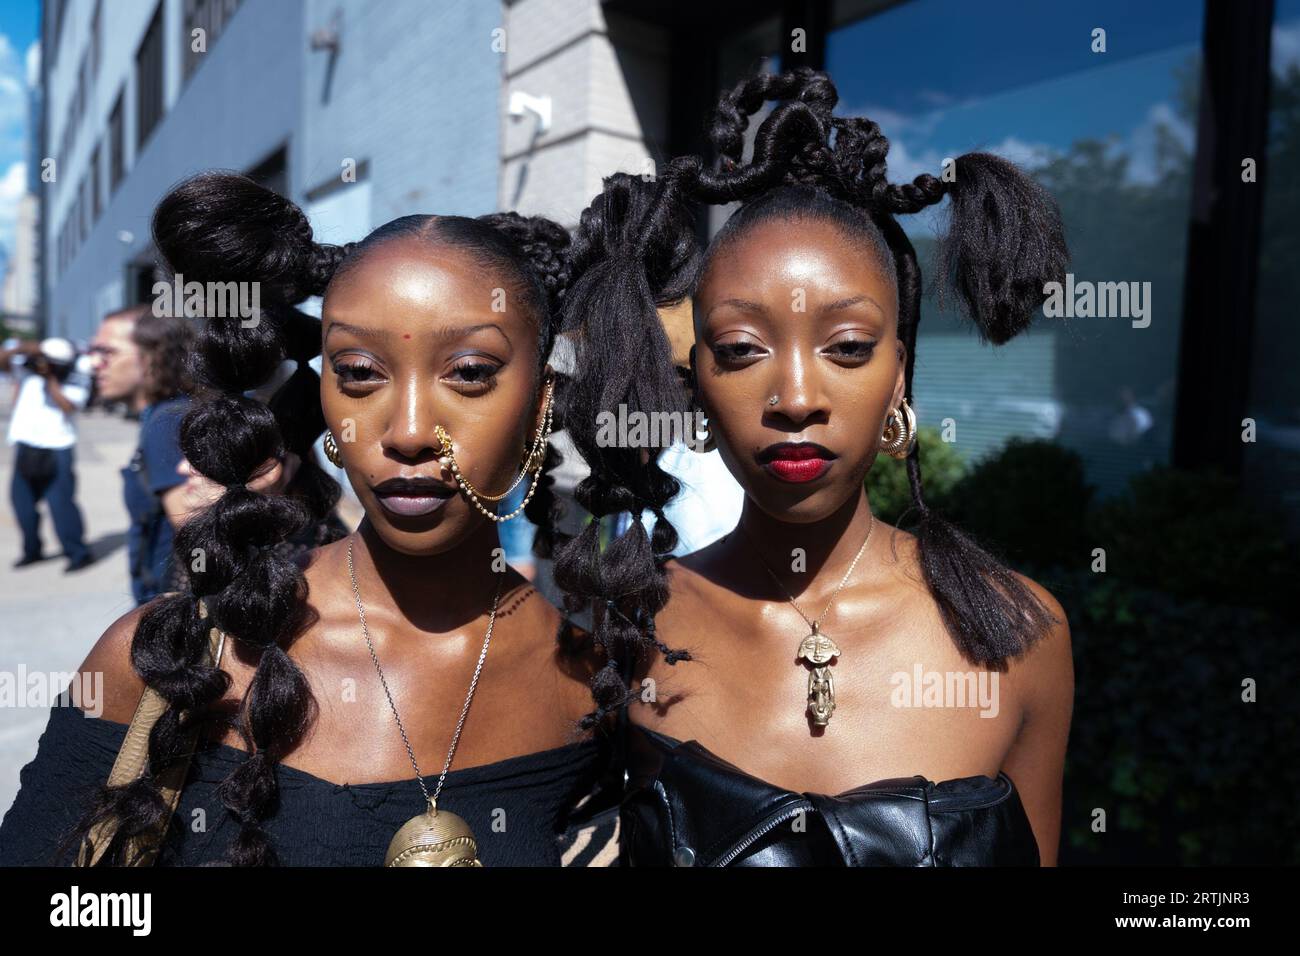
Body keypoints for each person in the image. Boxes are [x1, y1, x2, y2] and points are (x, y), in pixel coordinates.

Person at [0, 172, 607, 866]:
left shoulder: (594, 684)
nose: (408, 431)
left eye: (469, 372)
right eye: (359, 371)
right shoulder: (172, 659)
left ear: (540, 402)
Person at [557, 69, 1075, 866]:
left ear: (898, 375)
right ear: (697, 382)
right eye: (740, 351)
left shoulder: (1017, 632)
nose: (796, 397)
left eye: (847, 348)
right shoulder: (630, 628)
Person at [88, 306, 195, 604]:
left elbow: (196, 536)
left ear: (151, 357)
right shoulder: (162, 414)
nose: (94, 363)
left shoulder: (166, 423)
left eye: (107, 352)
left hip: (166, 606)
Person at [2, 337, 94, 572]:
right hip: (26, 445)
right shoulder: (27, 367)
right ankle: (32, 550)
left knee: (61, 506)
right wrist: (24, 348)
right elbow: (3, 360)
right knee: (21, 504)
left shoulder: (75, 373)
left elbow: (69, 406)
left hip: (57, 446)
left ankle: (78, 553)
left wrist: (49, 377)